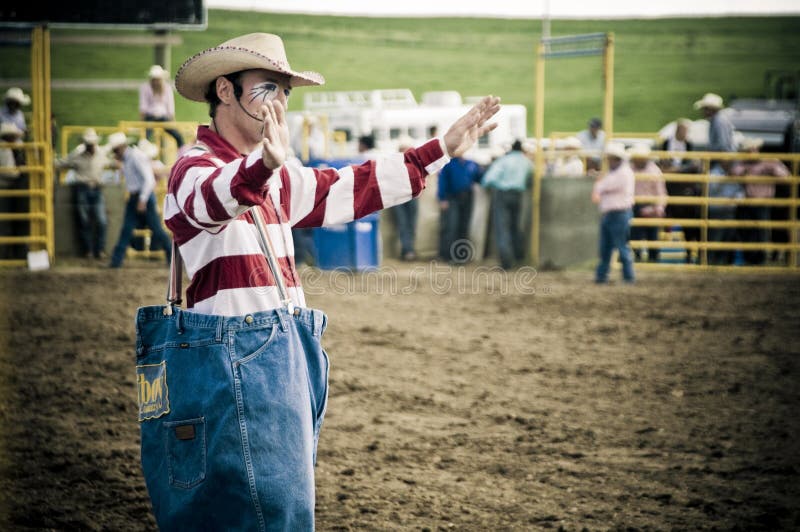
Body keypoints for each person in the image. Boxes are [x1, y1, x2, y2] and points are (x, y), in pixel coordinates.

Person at [138, 32, 500, 531]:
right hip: (237, 364)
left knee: (262, 506)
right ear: (225, 91)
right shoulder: (193, 168)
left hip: (268, 360)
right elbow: (213, 199)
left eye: (285, 90)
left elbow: (354, 186)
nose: (281, 101)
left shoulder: (277, 178)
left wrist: (439, 150)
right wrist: (264, 164)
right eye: (269, 87)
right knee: (270, 509)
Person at [107, 132, 171, 268]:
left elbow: (149, 180)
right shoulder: (130, 157)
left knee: (155, 229)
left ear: (119, 148)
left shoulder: (136, 157)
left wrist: (142, 200)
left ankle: (173, 256)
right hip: (138, 197)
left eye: (114, 150)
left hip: (143, 197)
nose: (114, 153)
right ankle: (116, 261)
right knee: (129, 229)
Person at [730, 137, 789, 265]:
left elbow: (784, 175)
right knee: (747, 231)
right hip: (748, 202)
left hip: (764, 202)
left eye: (753, 149)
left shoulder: (770, 162)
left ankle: (760, 258)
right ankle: (751, 258)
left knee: (761, 231)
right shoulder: (743, 163)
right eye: (749, 150)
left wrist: (773, 171)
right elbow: (734, 172)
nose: (752, 152)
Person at [55, 128, 109, 259]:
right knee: (85, 221)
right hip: (82, 188)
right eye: (88, 143)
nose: (90, 145)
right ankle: (90, 250)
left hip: (96, 188)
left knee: (101, 221)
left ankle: (99, 249)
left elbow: (112, 163)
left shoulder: (101, 154)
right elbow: (62, 163)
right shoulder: (77, 155)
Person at [481, 139, 533, 269]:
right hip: (518, 195)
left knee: (502, 227)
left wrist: (491, 186)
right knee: (515, 226)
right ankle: (518, 257)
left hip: (502, 194)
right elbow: (531, 177)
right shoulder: (526, 162)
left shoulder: (504, 160)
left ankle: (506, 261)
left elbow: (488, 179)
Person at [591, 142, 635, 284]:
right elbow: (602, 186)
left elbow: (603, 186)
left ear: (617, 159)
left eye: (611, 158)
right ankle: (602, 276)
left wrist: (599, 184)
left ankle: (627, 277)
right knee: (606, 248)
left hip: (619, 213)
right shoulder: (617, 172)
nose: (609, 161)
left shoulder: (623, 173)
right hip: (612, 214)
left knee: (620, 247)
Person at [437, 153, 482, 262]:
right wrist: (442, 198)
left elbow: (479, 177)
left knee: (464, 226)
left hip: (467, 198)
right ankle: (448, 255)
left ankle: (461, 256)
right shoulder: (449, 164)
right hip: (452, 198)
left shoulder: (471, 164)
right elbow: (442, 181)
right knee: (451, 226)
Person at [628, 143, 667, 262]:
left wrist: (659, 208)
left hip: (651, 205)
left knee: (652, 235)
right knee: (634, 234)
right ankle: (637, 255)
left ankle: (653, 258)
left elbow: (661, 193)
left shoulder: (654, 171)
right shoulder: (629, 169)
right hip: (633, 205)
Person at [139, 64, 185, 149]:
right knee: (144, 138)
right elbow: (143, 106)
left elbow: (170, 106)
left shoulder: (167, 88)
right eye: (154, 79)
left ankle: (181, 154)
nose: (156, 82)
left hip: (164, 118)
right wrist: (142, 120)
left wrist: (172, 120)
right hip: (150, 117)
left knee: (178, 136)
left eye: (158, 79)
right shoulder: (145, 87)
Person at [389, 136, 419, 260]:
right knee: (403, 224)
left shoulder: (415, 164)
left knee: (410, 224)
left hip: (411, 197)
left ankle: (408, 249)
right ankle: (408, 251)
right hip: (399, 197)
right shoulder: (393, 164)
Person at [0, 121, 24, 259]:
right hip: (4, 188)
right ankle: (5, 254)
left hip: (8, 188)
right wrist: (21, 171)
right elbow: (9, 173)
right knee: (5, 223)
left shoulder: (9, 148)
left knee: (7, 222)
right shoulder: (4, 149)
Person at [694, 92, 736, 169]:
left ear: (712, 109)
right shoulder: (717, 120)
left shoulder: (719, 121)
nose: (703, 111)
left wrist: (708, 153)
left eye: (706, 108)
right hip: (720, 159)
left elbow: (723, 145)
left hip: (722, 162)